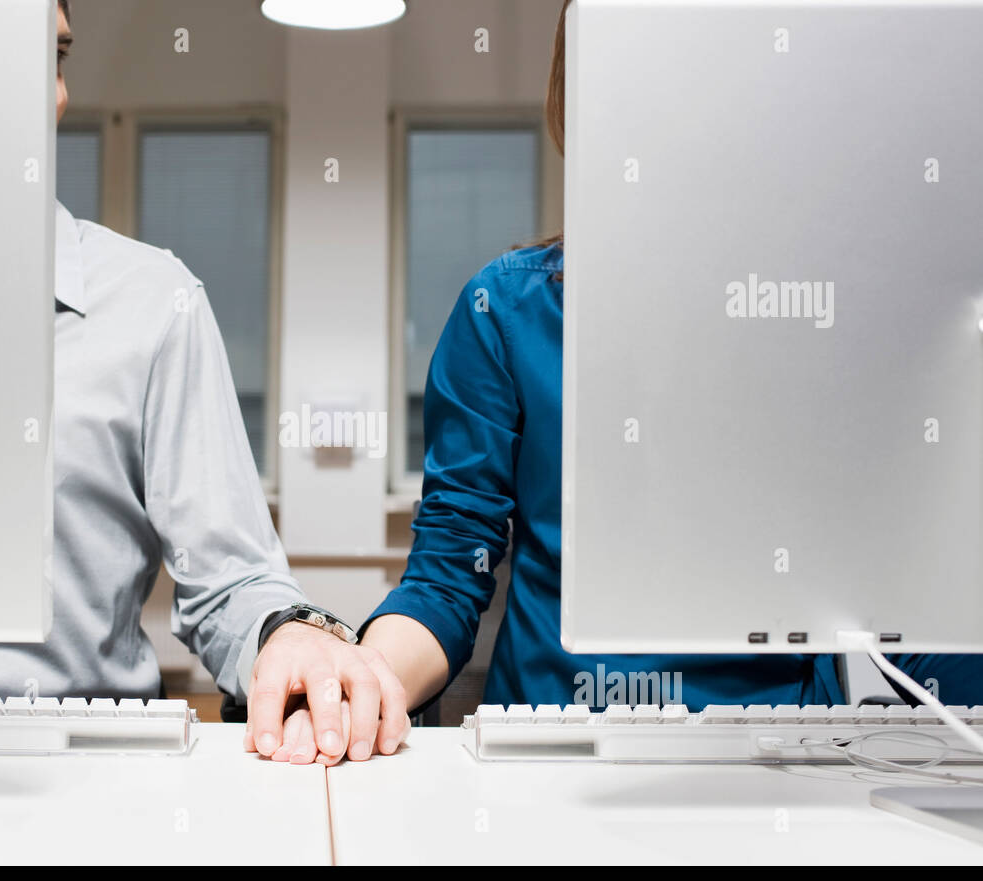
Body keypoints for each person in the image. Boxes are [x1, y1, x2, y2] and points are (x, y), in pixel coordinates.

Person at [270, 0, 983, 755]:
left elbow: (916, 592)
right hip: (554, 744)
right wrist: (365, 679)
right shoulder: (505, 310)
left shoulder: (834, 313)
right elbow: (451, 569)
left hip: (782, 751)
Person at [0, 0, 409, 767]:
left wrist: (288, 633)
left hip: (83, 785)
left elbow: (231, 579)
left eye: (58, 59)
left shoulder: (154, 304)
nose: (52, 95)